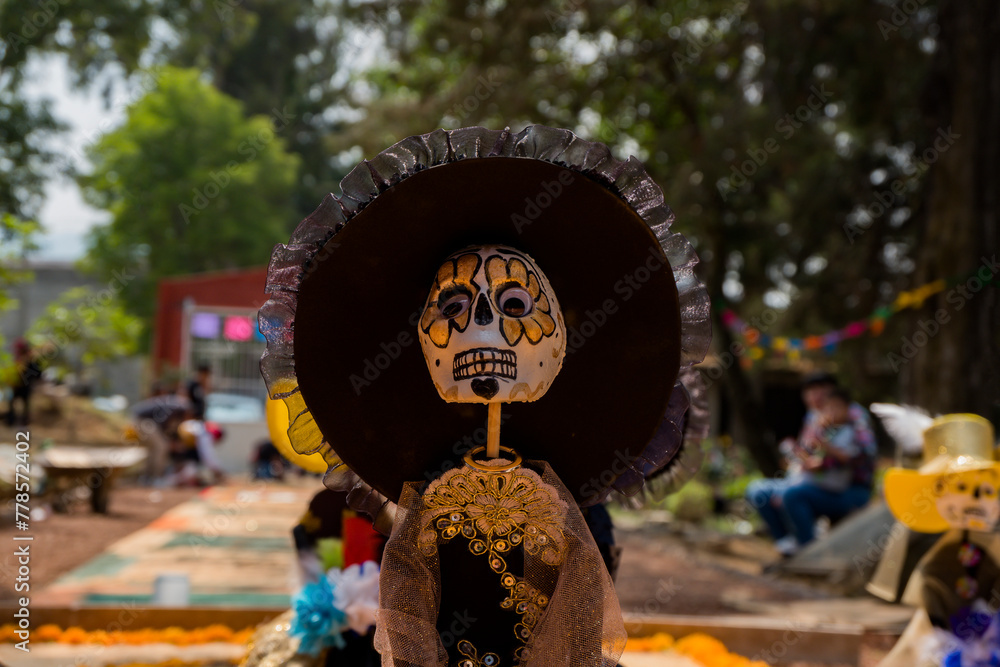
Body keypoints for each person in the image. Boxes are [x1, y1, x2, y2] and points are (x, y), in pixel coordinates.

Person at [746, 374, 875, 556]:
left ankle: (810, 552)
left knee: (792, 495)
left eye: (821, 390)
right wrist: (798, 457)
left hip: (848, 488)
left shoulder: (852, 415)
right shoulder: (813, 417)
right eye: (810, 391)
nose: (815, 396)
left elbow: (864, 454)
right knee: (758, 491)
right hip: (810, 481)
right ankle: (788, 547)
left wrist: (826, 462)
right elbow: (806, 453)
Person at [129, 386, 191, 483]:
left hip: (139, 419)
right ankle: (155, 477)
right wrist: (171, 442)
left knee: (153, 448)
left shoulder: (176, 404)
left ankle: (146, 477)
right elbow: (162, 423)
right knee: (161, 446)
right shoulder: (179, 407)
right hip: (142, 420)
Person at [5, 338, 41, 427]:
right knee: (13, 403)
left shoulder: (31, 361)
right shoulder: (17, 360)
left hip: (25, 386)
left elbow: (37, 374)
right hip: (17, 386)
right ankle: (12, 421)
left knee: (24, 405)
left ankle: (23, 422)